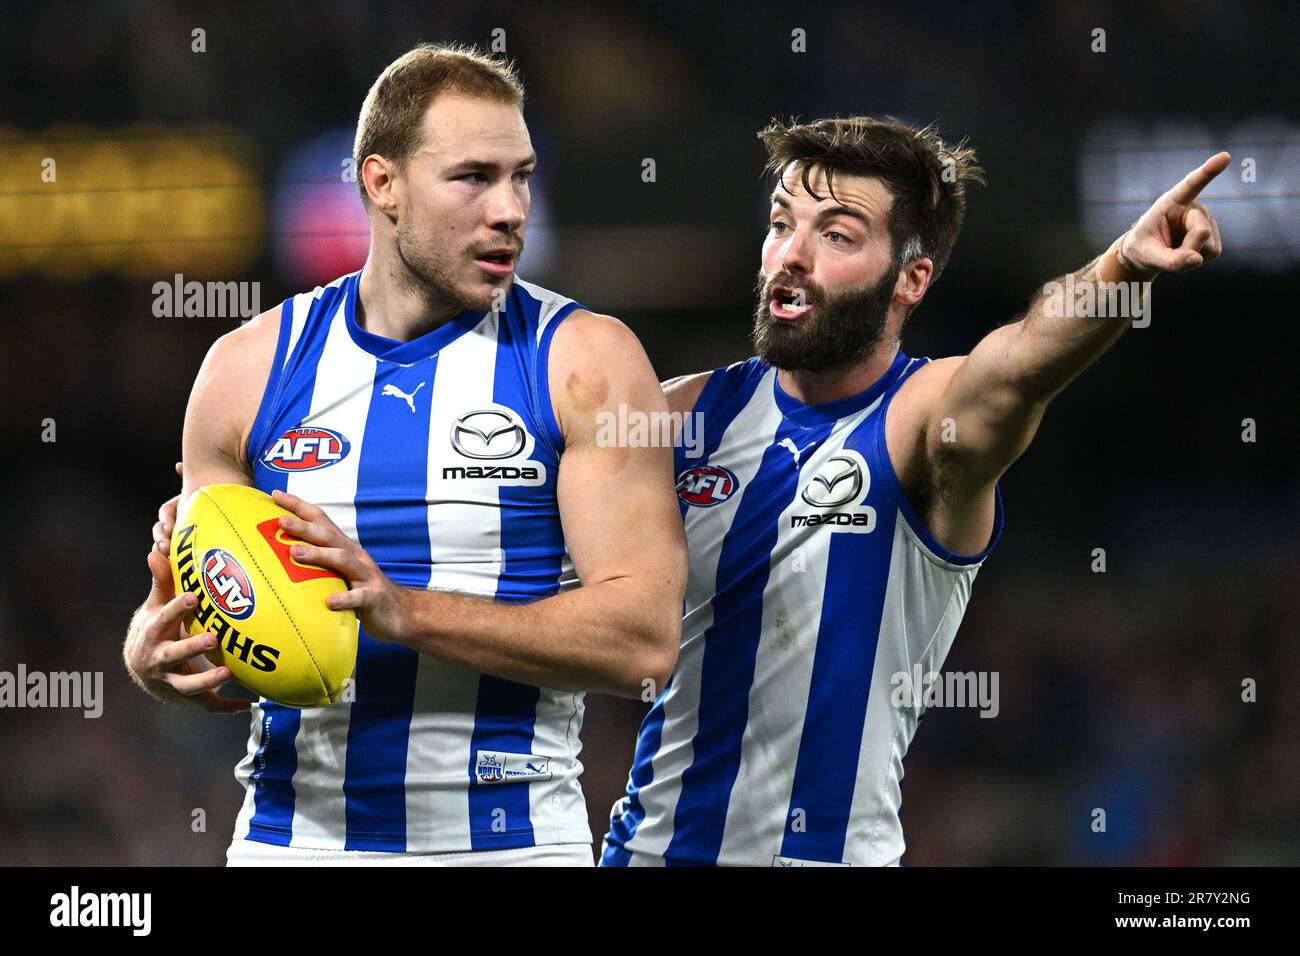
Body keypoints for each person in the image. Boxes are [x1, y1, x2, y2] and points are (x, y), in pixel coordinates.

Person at [602, 116, 1226, 866]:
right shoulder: (682, 415)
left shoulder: (923, 422)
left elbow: (1021, 364)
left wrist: (1125, 266)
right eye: (780, 224)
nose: (790, 256)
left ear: (911, 278)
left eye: (837, 236)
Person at [122, 43, 686, 866]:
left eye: (522, 176)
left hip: (513, 846)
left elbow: (643, 642)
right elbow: (218, 634)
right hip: (293, 843)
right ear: (381, 183)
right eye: (474, 178)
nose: (511, 209)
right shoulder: (246, 371)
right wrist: (153, 651)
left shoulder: (585, 362)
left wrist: (405, 610)